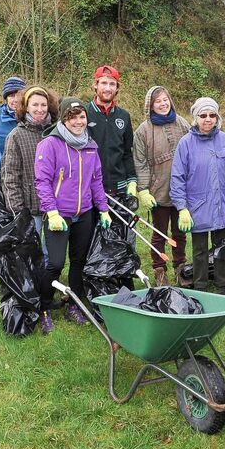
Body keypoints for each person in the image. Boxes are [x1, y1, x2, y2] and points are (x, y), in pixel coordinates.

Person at [34, 97, 111, 334]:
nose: (78, 121)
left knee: (79, 261)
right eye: (72, 117)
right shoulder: (50, 144)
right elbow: (42, 181)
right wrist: (52, 211)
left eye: (82, 117)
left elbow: (96, 181)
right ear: (63, 119)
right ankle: (45, 307)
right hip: (59, 215)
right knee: (55, 263)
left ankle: (73, 304)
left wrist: (104, 209)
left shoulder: (90, 145)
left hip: (84, 214)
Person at [170, 97, 225, 295]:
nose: (208, 119)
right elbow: (177, 177)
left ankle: (222, 286)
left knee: (222, 248)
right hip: (197, 207)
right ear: (196, 118)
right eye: (203, 115)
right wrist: (182, 207)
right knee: (200, 251)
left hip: (222, 205)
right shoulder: (186, 143)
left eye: (212, 115)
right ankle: (201, 287)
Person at [133, 85, 191, 286]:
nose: (163, 104)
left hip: (182, 190)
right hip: (158, 190)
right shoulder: (143, 131)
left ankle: (180, 267)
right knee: (159, 233)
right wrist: (143, 189)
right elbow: (140, 162)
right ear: (150, 105)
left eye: (165, 100)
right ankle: (159, 269)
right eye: (158, 101)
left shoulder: (182, 123)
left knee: (179, 232)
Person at [2, 85, 59, 256]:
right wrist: (18, 211)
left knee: (52, 255)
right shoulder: (16, 136)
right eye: (35, 105)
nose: (40, 109)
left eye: (43, 105)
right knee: (32, 253)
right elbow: (10, 176)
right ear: (26, 107)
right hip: (30, 207)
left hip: (55, 206)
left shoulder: (56, 132)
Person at [86, 65, 137, 198]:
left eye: (112, 84)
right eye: (103, 83)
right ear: (95, 85)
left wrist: (132, 180)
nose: (108, 88)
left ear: (117, 88)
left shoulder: (124, 116)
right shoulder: (83, 114)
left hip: (119, 187)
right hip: (91, 187)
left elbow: (127, 152)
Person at [0, 76, 26, 177]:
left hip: (29, 176)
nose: (15, 100)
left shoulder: (32, 118)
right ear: (6, 98)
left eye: (19, 95)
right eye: (11, 96)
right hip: (5, 176)